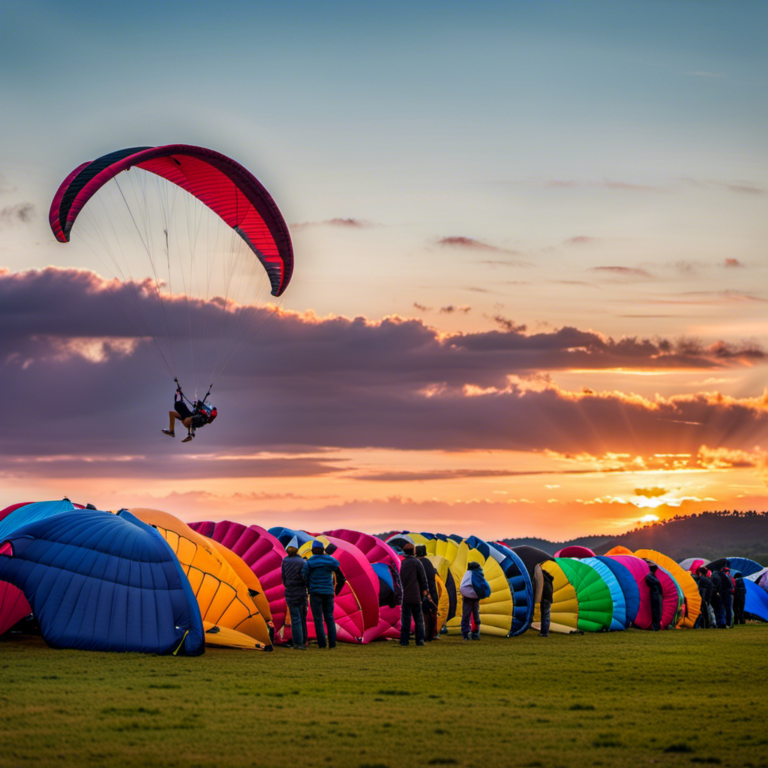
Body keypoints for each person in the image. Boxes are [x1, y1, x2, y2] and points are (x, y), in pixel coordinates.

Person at [302, 540, 345, 649]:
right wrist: (336, 591)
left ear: (313, 550)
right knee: (329, 618)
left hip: (315, 593)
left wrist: (308, 587)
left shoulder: (309, 562)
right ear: (323, 550)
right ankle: (332, 643)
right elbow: (341, 578)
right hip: (328, 593)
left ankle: (322, 644)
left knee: (318, 619)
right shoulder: (332, 561)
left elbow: (304, 577)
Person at [281, 537, 308, 650]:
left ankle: (298, 643)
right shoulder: (302, 562)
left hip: (290, 592)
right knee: (302, 618)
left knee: (295, 617)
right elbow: (305, 577)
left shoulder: (285, 561)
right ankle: (304, 641)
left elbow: (283, 577)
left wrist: (288, 585)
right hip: (301, 592)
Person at [399, 543, 428, 646]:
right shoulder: (417, 563)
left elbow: (399, 580)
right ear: (413, 551)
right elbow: (423, 579)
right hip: (416, 596)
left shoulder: (402, 563)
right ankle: (419, 640)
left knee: (405, 620)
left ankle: (404, 641)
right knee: (419, 620)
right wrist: (425, 590)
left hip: (405, 596)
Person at [460, 561, 491, 641]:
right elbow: (482, 585)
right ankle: (475, 633)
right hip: (475, 598)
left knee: (466, 616)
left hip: (467, 598)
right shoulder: (477, 574)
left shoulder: (468, 574)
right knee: (475, 615)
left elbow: (463, 587)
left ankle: (466, 634)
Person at [416, 545, 439, 641]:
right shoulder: (428, 563)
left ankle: (426, 635)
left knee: (425, 615)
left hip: (425, 593)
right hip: (432, 591)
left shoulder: (419, 563)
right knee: (432, 614)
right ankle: (432, 634)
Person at [645, 563, 663, 631]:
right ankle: (655, 626)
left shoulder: (652, 576)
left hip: (656, 595)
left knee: (658, 611)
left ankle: (657, 625)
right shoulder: (650, 576)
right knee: (655, 611)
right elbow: (656, 583)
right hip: (655, 595)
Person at [539, 567, 554, 638]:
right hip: (548, 598)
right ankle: (544, 631)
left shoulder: (542, 580)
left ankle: (544, 632)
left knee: (545, 614)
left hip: (544, 597)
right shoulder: (549, 580)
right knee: (546, 614)